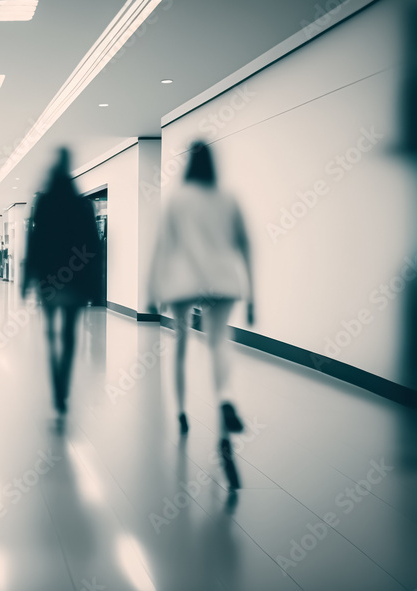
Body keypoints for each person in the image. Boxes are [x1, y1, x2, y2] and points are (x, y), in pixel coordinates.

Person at [147, 140, 254, 490]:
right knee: (219, 342)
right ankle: (225, 403)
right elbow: (245, 244)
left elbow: (163, 247)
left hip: (184, 281)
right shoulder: (229, 198)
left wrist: (152, 290)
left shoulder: (177, 201)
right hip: (224, 279)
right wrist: (253, 295)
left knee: (178, 343)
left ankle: (180, 412)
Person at [23, 147, 102, 417]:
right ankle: (63, 389)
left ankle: (56, 382)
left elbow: (33, 242)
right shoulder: (83, 205)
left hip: (49, 279)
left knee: (51, 334)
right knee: (69, 336)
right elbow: (93, 246)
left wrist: (26, 280)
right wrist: (94, 283)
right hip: (76, 280)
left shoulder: (43, 203)